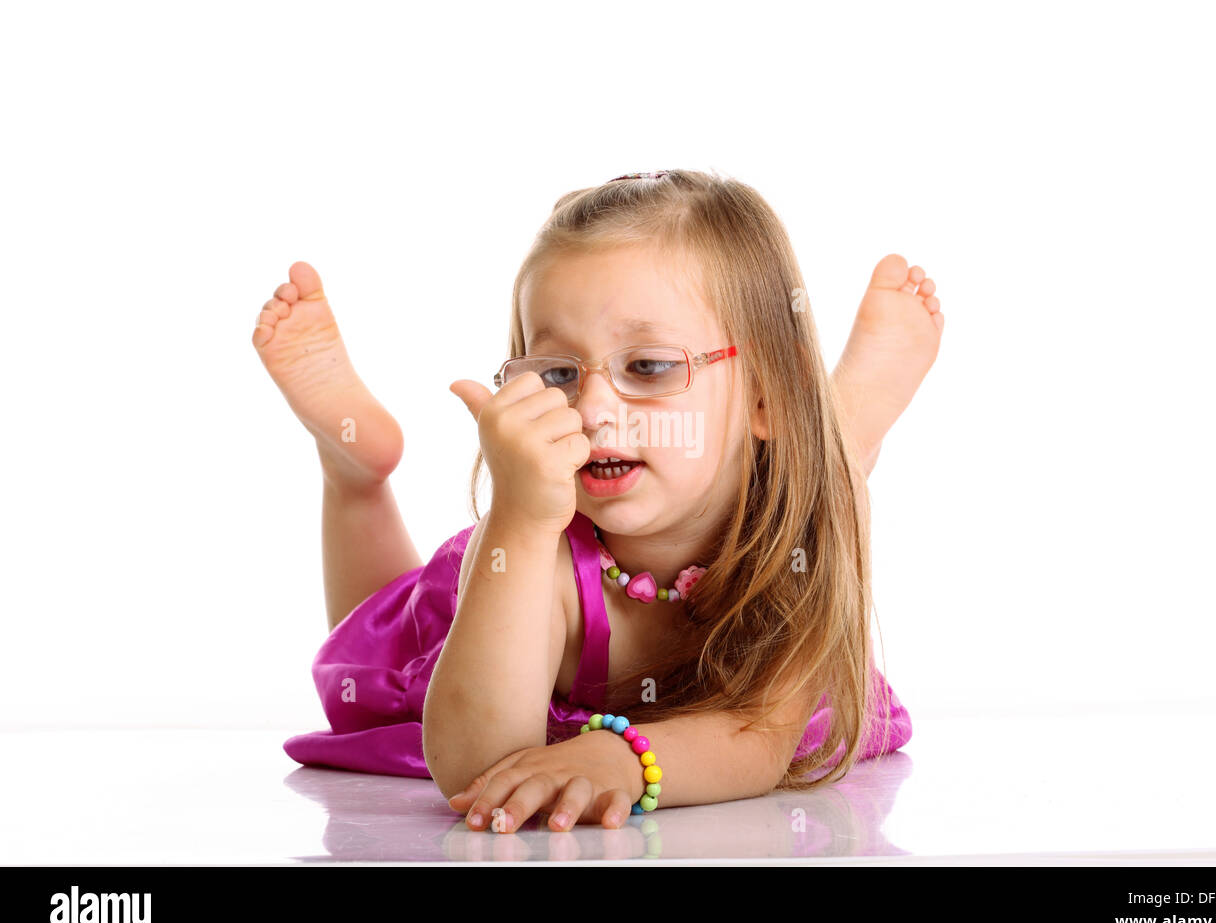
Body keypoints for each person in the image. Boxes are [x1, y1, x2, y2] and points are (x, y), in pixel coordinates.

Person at [252, 169, 944, 833]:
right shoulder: (537, 544)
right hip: (484, 612)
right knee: (383, 648)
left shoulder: (789, 552)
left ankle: (839, 438)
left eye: (647, 367)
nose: (593, 409)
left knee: (820, 510)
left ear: (764, 394)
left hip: (778, 494)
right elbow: (477, 765)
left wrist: (627, 758)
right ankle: (354, 475)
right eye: (557, 373)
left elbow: (757, 738)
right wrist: (521, 522)